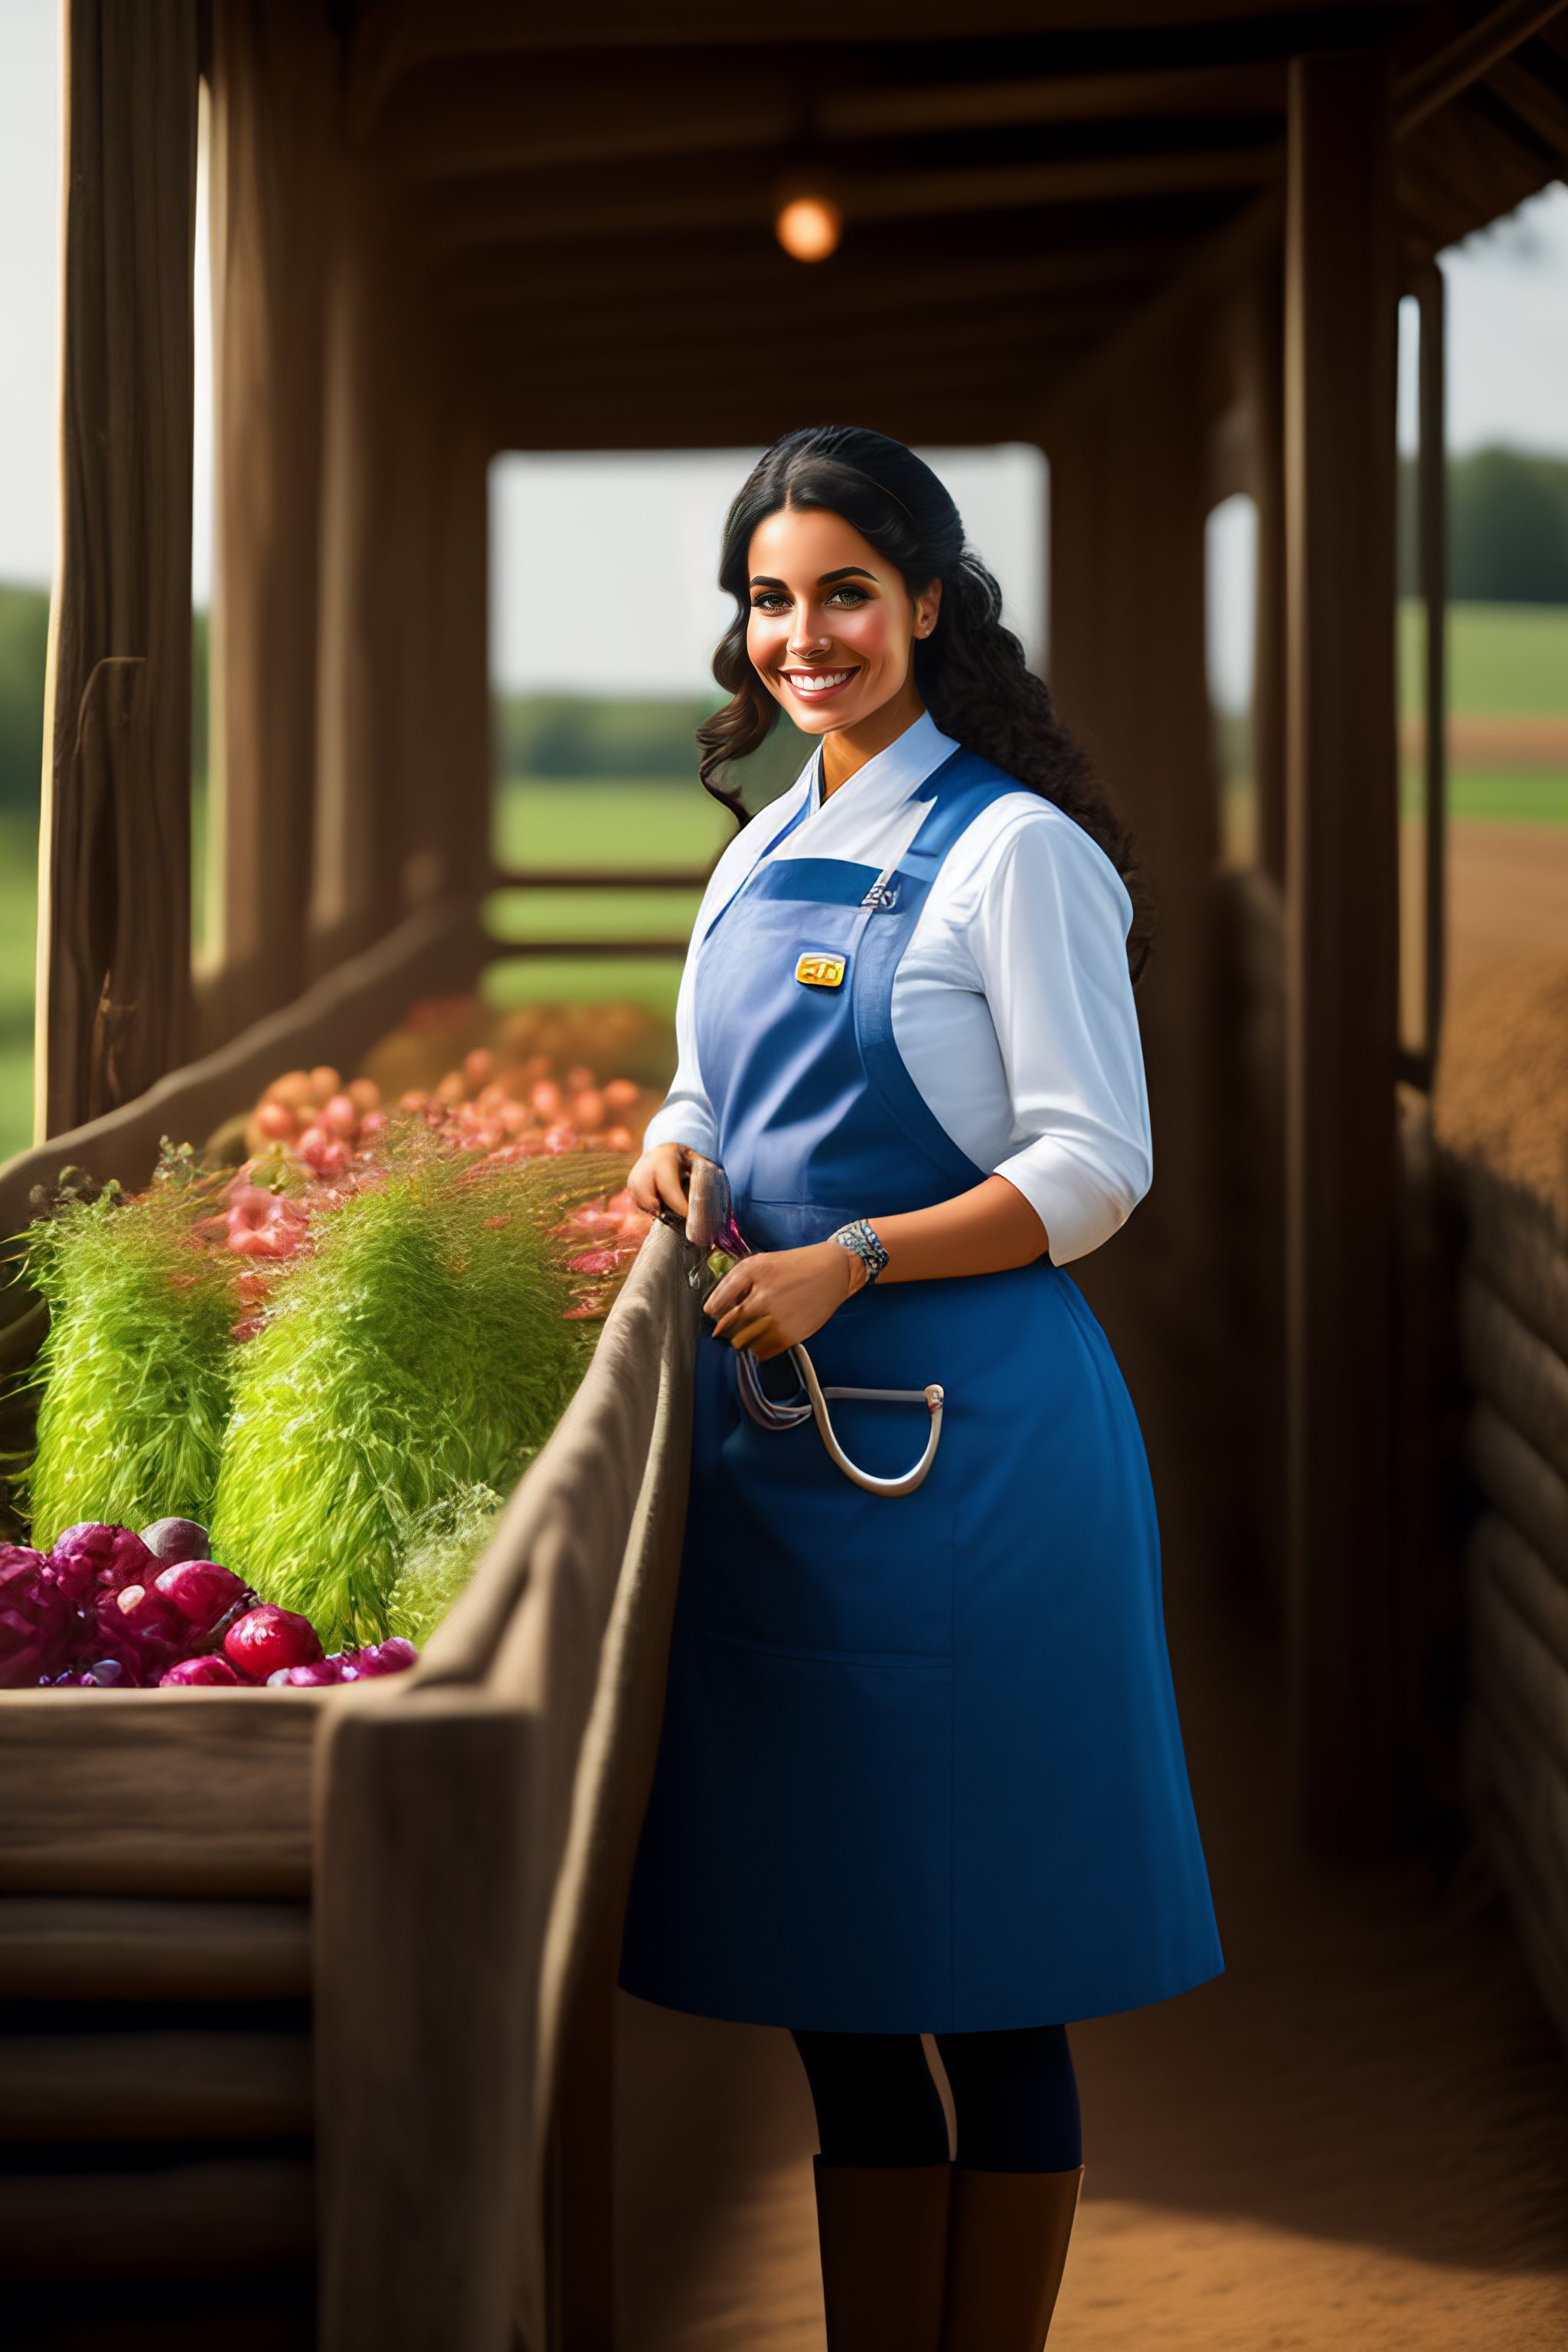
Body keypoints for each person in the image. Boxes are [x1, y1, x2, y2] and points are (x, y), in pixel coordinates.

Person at [619, 426, 1222, 2351]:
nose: (803, 636)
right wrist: (669, 1138)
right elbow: (711, 1078)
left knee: (991, 1980)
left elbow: (1091, 1168)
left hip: (973, 1473)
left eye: (845, 594)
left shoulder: (1014, 854)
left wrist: (856, 1255)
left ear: (930, 603)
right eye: (771, 600)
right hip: (783, 1474)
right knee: (840, 1983)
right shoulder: (767, 842)